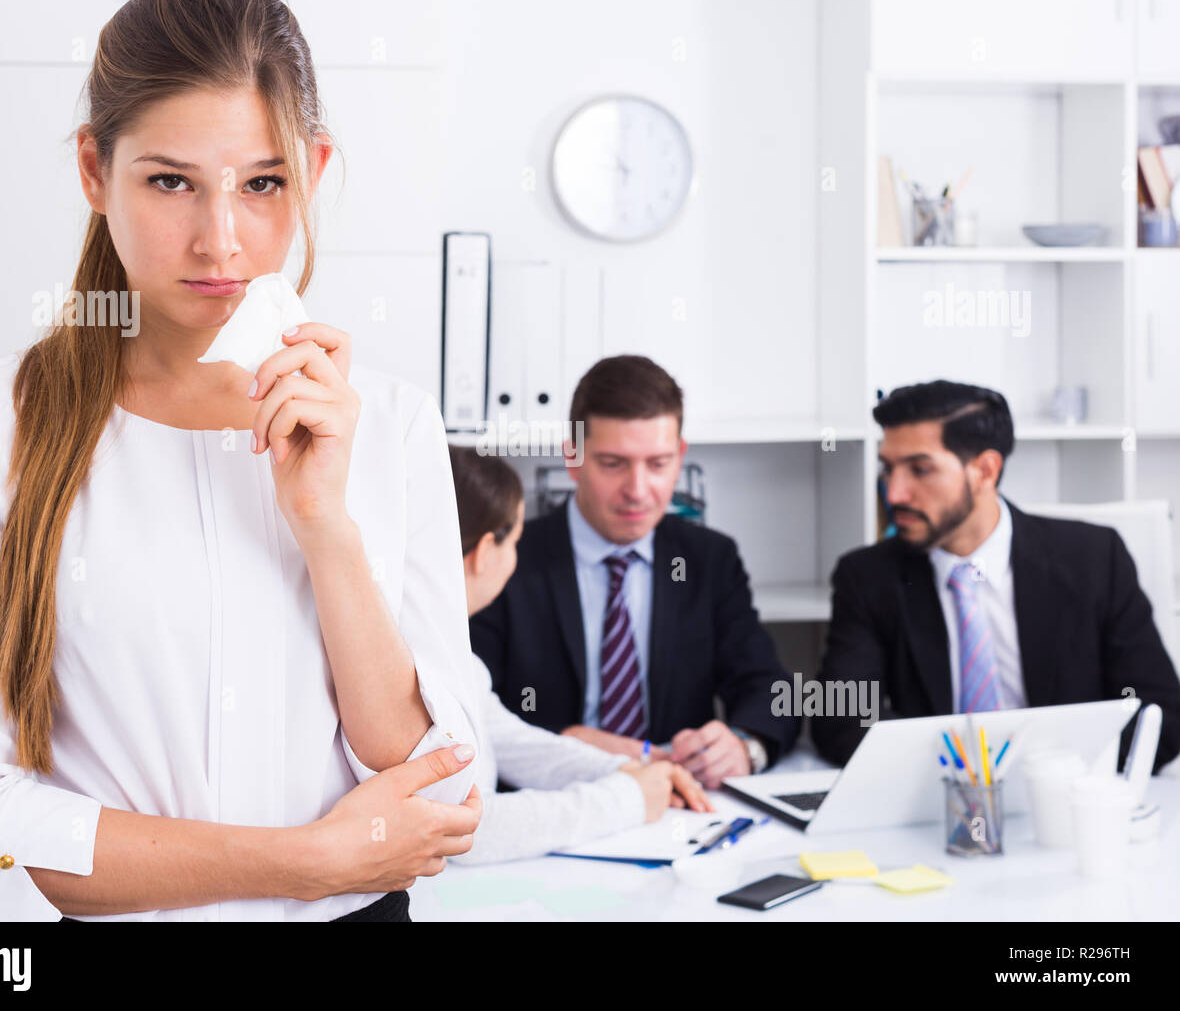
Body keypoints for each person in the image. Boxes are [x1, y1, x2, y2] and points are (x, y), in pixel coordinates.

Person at [0, 0, 482, 923]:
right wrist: (306, 862)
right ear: (94, 170)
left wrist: (325, 526)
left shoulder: (394, 424)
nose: (222, 241)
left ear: (314, 171)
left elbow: (437, 785)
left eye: (263, 184)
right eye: (171, 181)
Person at [811, 380, 1180, 770]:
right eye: (889, 469)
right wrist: (969, 777)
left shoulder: (1094, 559)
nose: (895, 493)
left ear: (985, 470)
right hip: (940, 802)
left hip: (1066, 800)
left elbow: (1161, 718)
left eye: (920, 469)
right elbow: (839, 720)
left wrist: (1036, 774)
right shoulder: (867, 576)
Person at [469, 355, 799, 790]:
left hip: (675, 803)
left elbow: (771, 691)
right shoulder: (507, 560)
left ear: (680, 457)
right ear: (574, 456)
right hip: (550, 803)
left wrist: (744, 745)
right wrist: (561, 746)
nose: (638, 491)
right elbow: (470, 710)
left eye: (658, 464)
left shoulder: (708, 559)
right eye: (613, 463)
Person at [447, 445, 711, 864]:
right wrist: (630, 796)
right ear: (482, 554)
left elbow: (515, 742)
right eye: (514, 542)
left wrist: (624, 771)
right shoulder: (415, 665)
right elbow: (466, 830)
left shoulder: (454, 658)